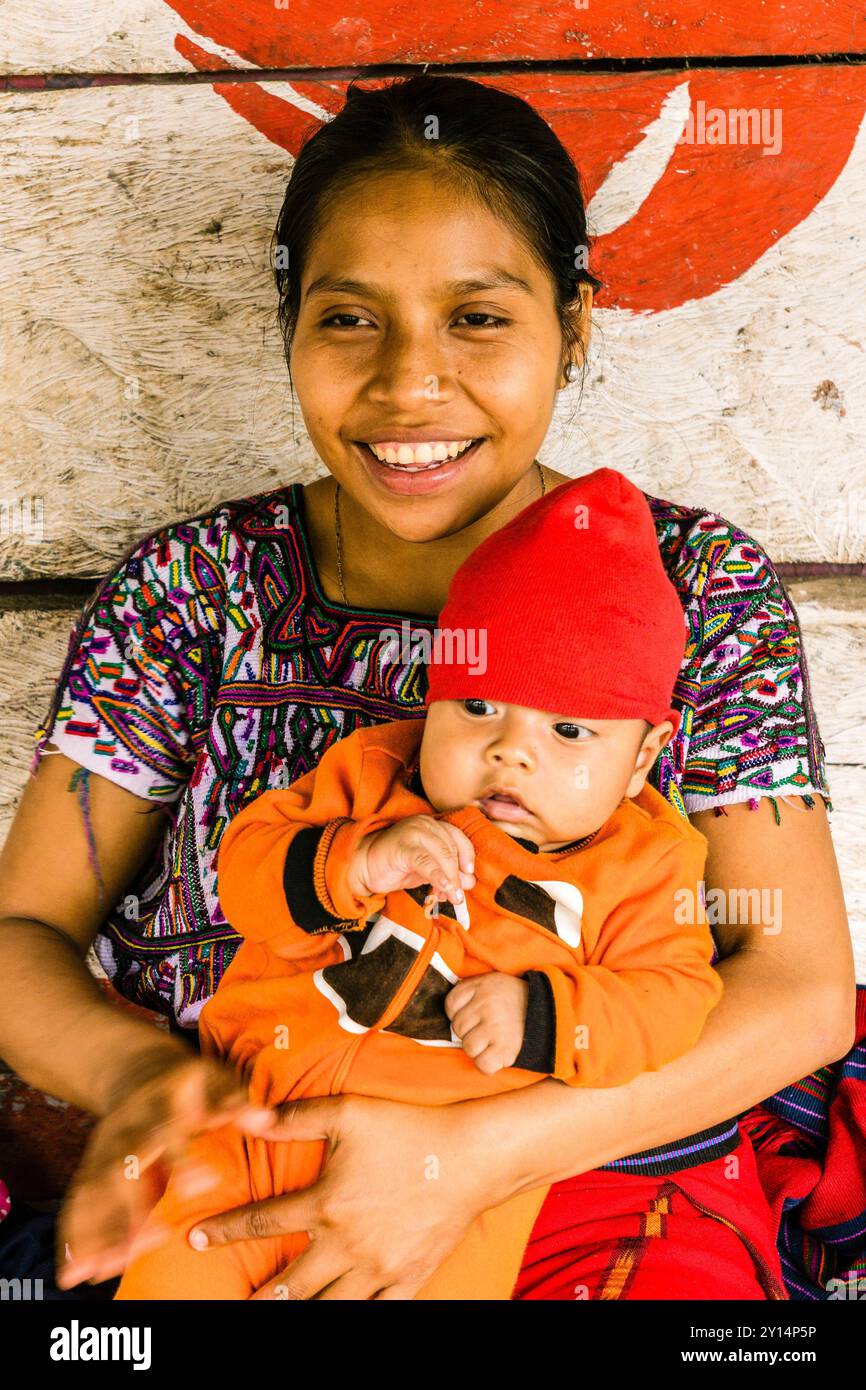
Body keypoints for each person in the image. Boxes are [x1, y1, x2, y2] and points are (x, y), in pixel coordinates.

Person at [0, 73, 854, 1302]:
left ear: (574, 324)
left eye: (477, 319)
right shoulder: (197, 587)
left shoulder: (690, 588)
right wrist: (142, 1081)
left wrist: (461, 1162)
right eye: (348, 317)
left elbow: (799, 990)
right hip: (231, 1175)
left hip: (575, 1180)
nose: (410, 383)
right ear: (288, 323)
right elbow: (24, 932)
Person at [114, 469, 789, 1300]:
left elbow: (674, 998)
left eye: (569, 729)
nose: (510, 750)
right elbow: (246, 871)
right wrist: (352, 863)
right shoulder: (370, 776)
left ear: (645, 755)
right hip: (251, 1126)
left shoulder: (644, 866)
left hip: (450, 1185)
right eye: (475, 707)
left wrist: (545, 1016)